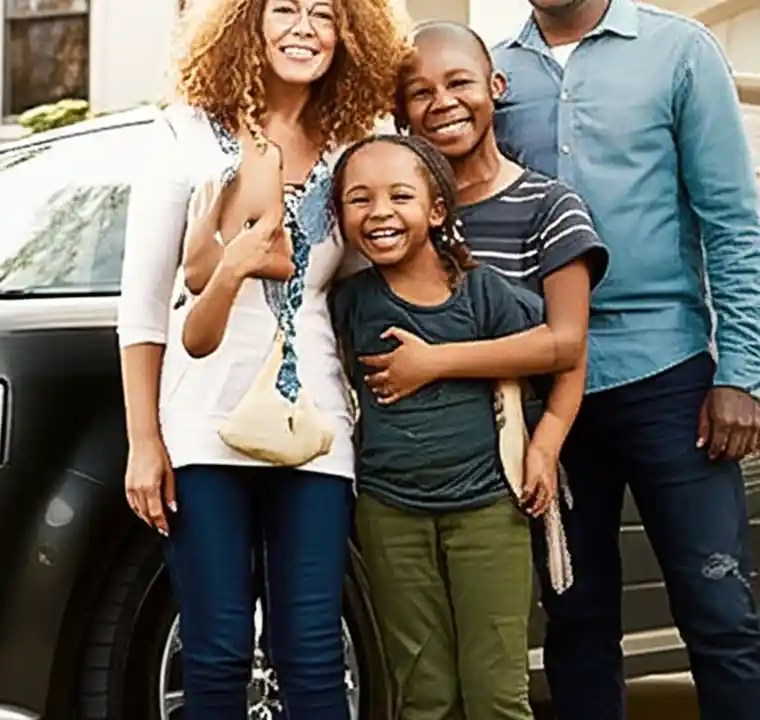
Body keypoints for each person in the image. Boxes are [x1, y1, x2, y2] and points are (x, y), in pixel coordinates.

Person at [115, 0, 402, 715]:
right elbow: (144, 307)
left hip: (316, 429)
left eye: (324, 14)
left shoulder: (356, 145)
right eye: (284, 9)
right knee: (217, 651)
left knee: (313, 651)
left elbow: (367, 287)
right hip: (201, 426)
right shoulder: (183, 135)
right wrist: (144, 442)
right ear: (246, 22)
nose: (305, 28)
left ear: (348, 34)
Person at [489, 1, 760, 717]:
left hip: (668, 376)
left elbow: (733, 221)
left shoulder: (680, 51)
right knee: (575, 617)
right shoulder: (493, 72)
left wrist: (741, 373)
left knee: (719, 608)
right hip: (549, 386)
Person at [383, 21, 612, 595]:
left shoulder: (549, 205)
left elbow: (567, 345)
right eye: (420, 92)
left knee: (545, 619)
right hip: (417, 477)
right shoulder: (398, 217)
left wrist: (546, 444)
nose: (442, 102)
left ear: (496, 86)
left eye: (459, 82)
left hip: (519, 463)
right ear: (400, 112)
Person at [330, 133, 545, 720]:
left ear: (437, 210)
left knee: (496, 692)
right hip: (390, 514)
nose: (379, 212)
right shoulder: (349, 302)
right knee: (424, 694)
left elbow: (558, 351)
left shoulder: (484, 293)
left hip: (487, 511)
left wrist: (545, 447)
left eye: (400, 196)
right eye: (359, 199)